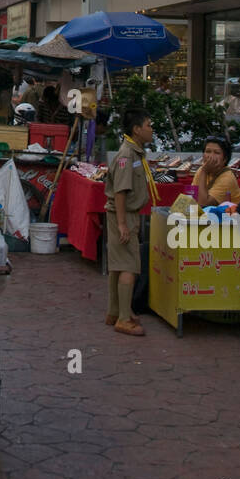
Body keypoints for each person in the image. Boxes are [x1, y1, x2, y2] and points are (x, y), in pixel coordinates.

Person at [104, 107, 157, 338]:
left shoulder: (134, 153)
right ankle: (124, 319)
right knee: (129, 266)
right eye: (148, 125)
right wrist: (123, 224)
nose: (151, 129)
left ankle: (116, 311)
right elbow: (121, 192)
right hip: (124, 216)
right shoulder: (127, 156)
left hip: (124, 215)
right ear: (137, 130)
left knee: (118, 265)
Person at [192, 136, 240, 207]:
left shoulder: (227, 178)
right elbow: (193, 197)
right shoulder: (201, 170)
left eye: (217, 153)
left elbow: (203, 204)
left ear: (225, 159)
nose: (211, 156)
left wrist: (204, 172)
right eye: (208, 152)